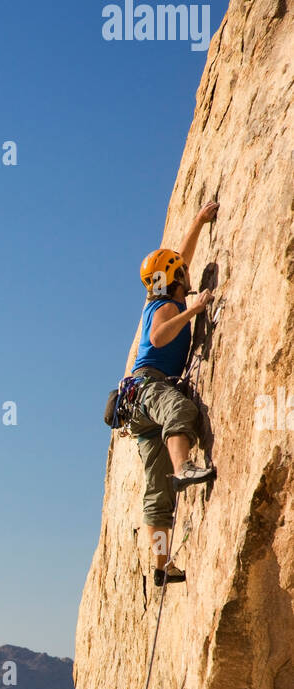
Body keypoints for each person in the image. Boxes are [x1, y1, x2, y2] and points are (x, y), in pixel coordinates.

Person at [127, 201, 219, 587]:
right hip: (151, 388)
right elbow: (158, 337)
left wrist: (198, 221)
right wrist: (193, 311)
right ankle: (183, 469)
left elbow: (179, 257)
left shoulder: (160, 297)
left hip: (136, 405)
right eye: (182, 273)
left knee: (156, 493)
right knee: (179, 410)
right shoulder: (166, 305)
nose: (186, 271)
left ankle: (162, 566)